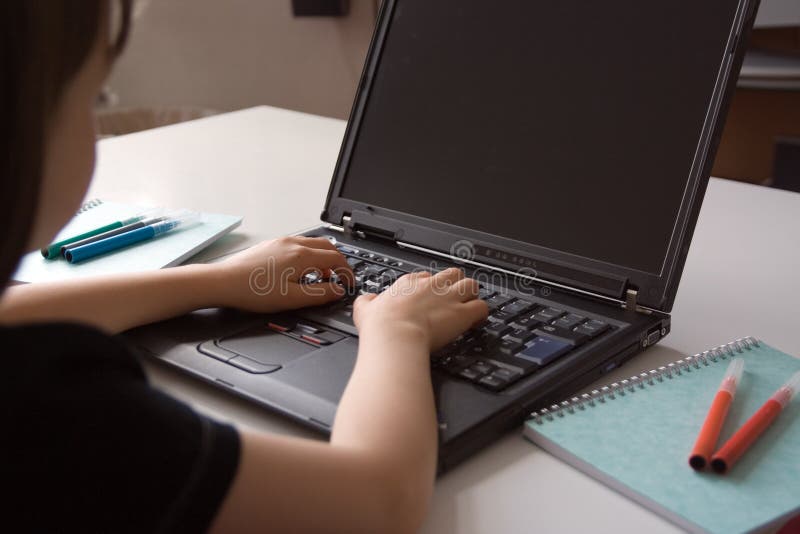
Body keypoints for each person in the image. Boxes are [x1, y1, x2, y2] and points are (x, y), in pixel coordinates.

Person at [0, 2, 488, 532]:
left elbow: (14, 311)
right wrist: (399, 331)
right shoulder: (56, 411)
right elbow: (378, 503)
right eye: (89, 99)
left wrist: (218, 280)